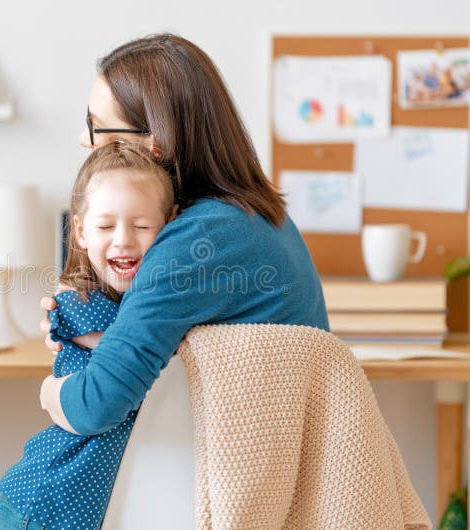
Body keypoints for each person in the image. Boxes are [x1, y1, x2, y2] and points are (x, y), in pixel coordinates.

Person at [38, 33, 329, 439]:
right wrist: (90, 321)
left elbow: (94, 405)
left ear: (154, 144)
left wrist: (50, 391)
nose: (84, 141)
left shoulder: (199, 239)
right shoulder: (255, 213)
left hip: (203, 485)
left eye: (97, 126)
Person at [0, 142, 177, 530]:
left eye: (143, 225)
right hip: (48, 501)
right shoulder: (80, 300)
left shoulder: (141, 304)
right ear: (80, 232)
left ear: (171, 227)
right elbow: (140, 355)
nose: (123, 239)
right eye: (105, 226)